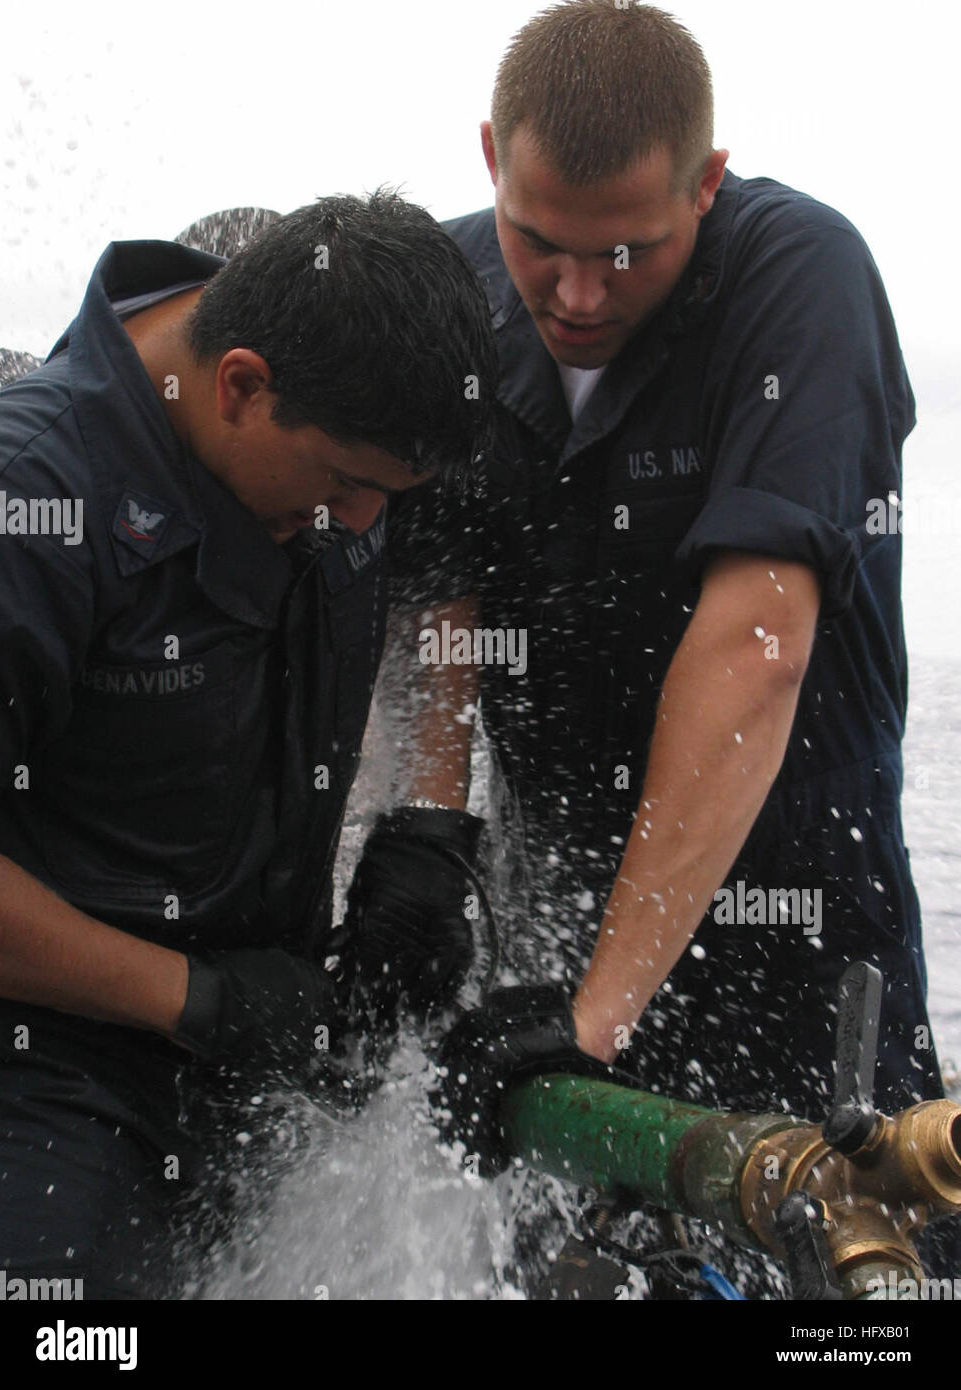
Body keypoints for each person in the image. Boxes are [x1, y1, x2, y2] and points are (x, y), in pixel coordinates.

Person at [347, 0, 956, 1272]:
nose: (576, 294)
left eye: (625, 253)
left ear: (708, 184)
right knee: (569, 1267)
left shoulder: (803, 277)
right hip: (553, 896)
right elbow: (443, 577)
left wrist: (596, 1017)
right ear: (489, 163)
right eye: (540, 244)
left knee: (854, 1261)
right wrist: (427, 826)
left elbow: (760, 642)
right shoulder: (455, 286)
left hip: (795, 904)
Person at [0, 190, 496, 1299]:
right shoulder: (25, 506)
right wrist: (194, 999)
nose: (367, 525)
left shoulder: (339, 407)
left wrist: (428, 823)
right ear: (241, 386)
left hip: (260, 1040)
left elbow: (436, 570)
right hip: (45, 1062)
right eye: (348, 488)